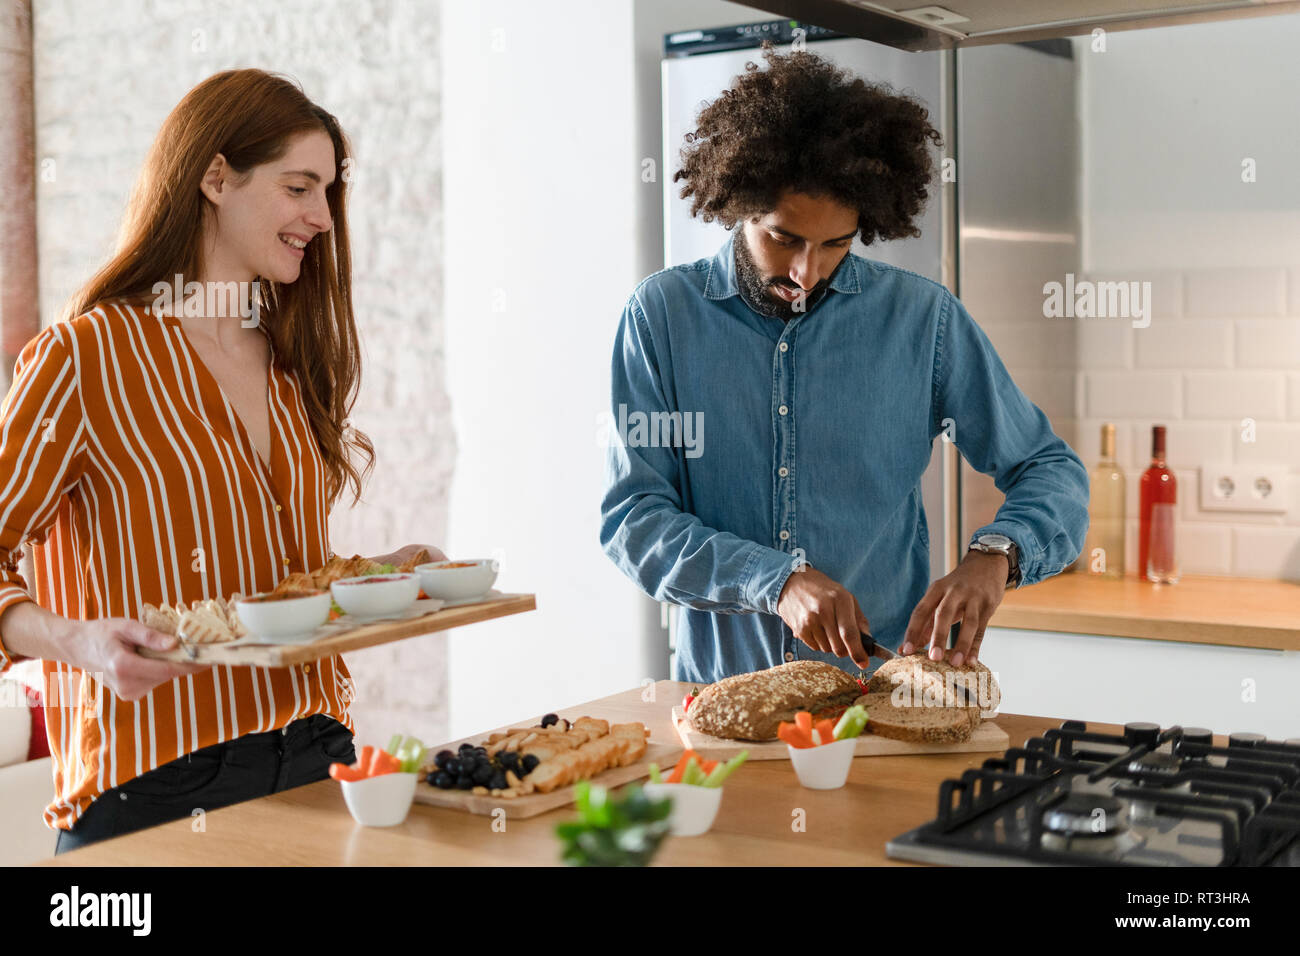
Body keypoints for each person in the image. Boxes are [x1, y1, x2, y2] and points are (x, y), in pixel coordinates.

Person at [0, 69, 443, 852]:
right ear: (214, 176)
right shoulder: (84, 357)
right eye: (298, 187)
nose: (321, 218)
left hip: (316, 756)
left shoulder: (284, 363)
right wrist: (82, 644)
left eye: (327, 194)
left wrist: (376, 576)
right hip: (153, 788)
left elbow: (266, 580)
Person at [600, 47, 1088, 685]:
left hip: (877, 707)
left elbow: (1050, 469)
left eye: (835, 244)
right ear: (738, 204)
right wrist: (775, 583)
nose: (807, 272)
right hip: (723, 709)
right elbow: (635, 518)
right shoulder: (661, 318)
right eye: (783, 238)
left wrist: (995, 555)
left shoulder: (922, 320)